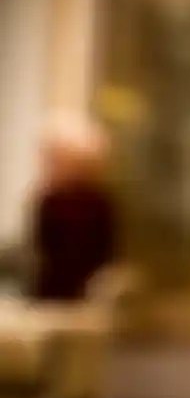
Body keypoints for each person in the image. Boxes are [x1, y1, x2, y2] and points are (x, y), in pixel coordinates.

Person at [28, 113, 117, 302]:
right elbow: (42, 250)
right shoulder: (49, 200)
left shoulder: (97, 203)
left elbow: (106, 253)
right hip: (51, 292)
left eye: (56, 158)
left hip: (85, 293)